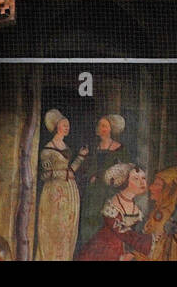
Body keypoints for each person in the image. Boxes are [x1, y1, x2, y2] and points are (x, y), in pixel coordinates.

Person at [34, 109, 87, 261]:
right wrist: (62, 175)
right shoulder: (47, 150)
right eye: (64, 125)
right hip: (54, 193)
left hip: (70, 191)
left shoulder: (65, 146)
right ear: (57, 127)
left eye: (68, 125)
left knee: (68, 230)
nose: (67, 127)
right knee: (54, 227)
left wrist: (81, 157)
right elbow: (45, 175)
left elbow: (70, 170)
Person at [75, 163, 157, 261]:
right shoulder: (114, 204)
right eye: (136, 179)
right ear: (125, 181)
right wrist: (148, 242)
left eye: (143, 178)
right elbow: (122, 232)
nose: (142, 182)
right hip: (107, 249)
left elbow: (136, 232)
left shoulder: (136, 208)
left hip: (127, 248)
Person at [76, 113, 126, 255]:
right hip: (92, 196)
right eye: (100, 125)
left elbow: (123, 172)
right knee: (88, 228)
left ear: (111, 129)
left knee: (104, 228)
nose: (101, 128)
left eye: (104, 125)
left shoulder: (119, 149)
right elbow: (86, 170)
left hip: (108, 195)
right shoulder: (93, 148)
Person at [144, 166, 177, 261]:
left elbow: (155, 252)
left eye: (156, 184)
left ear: (167, 190)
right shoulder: (168, 211)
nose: (151, 187)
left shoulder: (163, 214)